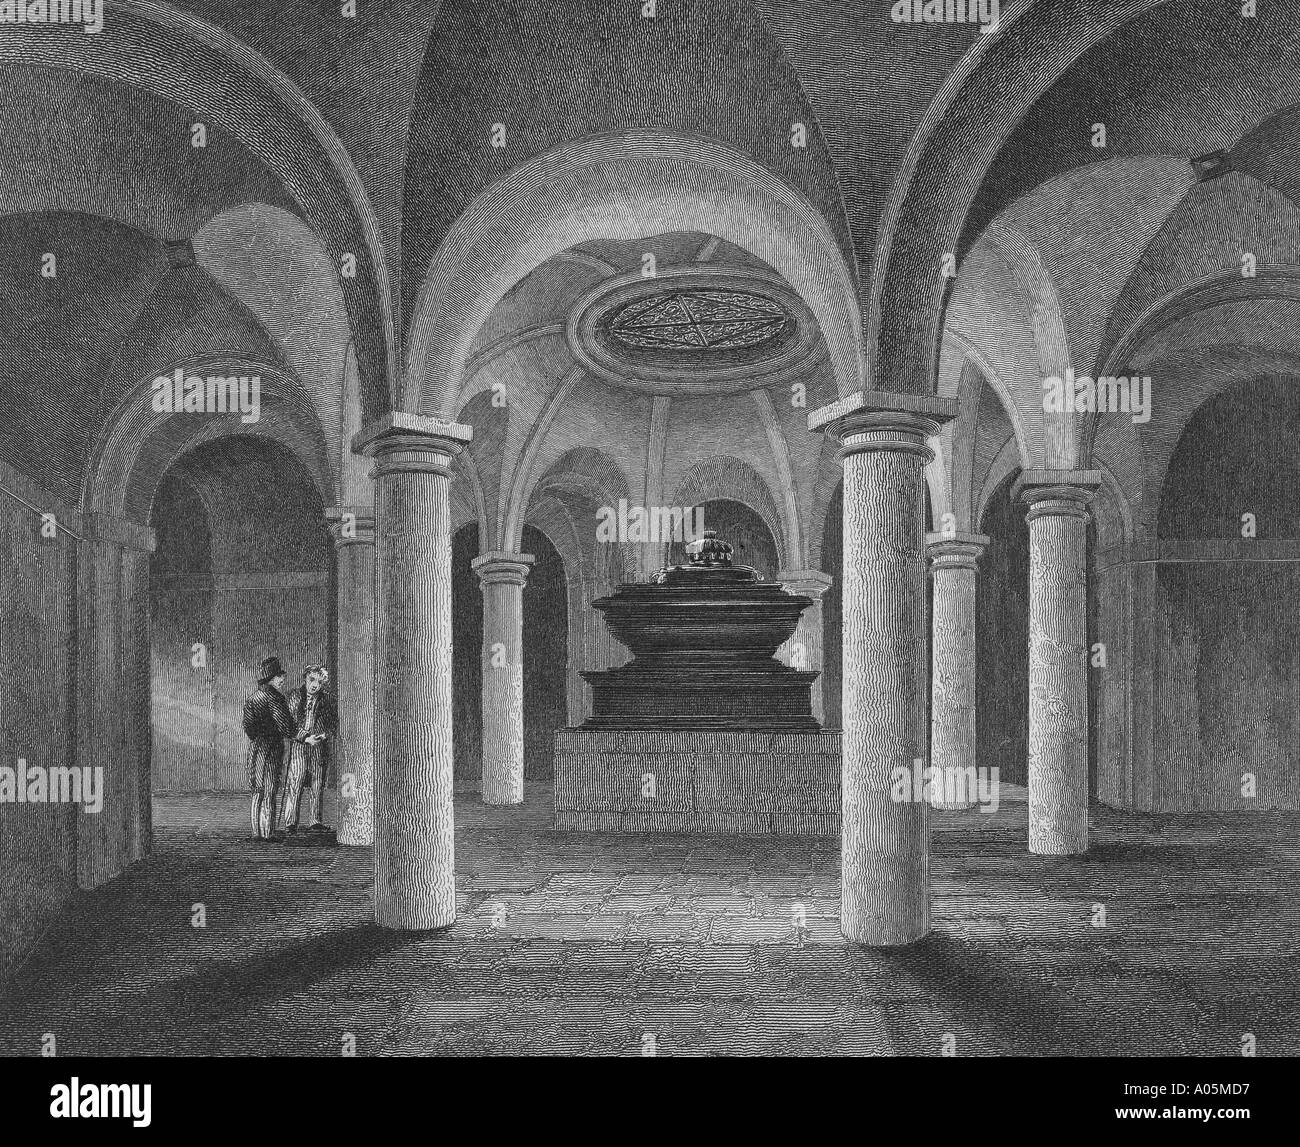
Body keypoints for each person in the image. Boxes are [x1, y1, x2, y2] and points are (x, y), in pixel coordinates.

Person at [242, 656, 296, 840]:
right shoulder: (276, 698)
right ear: (271, 678)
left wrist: (259, 738)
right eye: (280, 676)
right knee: (270, 790)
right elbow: (286, 727)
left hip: (256, 748)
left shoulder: (252, 699)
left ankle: (256, 832)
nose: (282, 680)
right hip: (272, 748)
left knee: (257, 789)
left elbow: (248, 728)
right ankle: (267, 832)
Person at [281, 665, 338, 836]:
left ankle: (315, 820)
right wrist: (303, 737)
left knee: (317, 783)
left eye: (319, 682)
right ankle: (291, 822)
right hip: (299, 744)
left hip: (318, 747)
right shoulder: (294, 696)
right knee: (295, 781)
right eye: (312, 680)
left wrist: (323, 736)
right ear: (305, 679)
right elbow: (288, 723)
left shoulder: (327, 700)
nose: (315, 685)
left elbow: (333, 724)